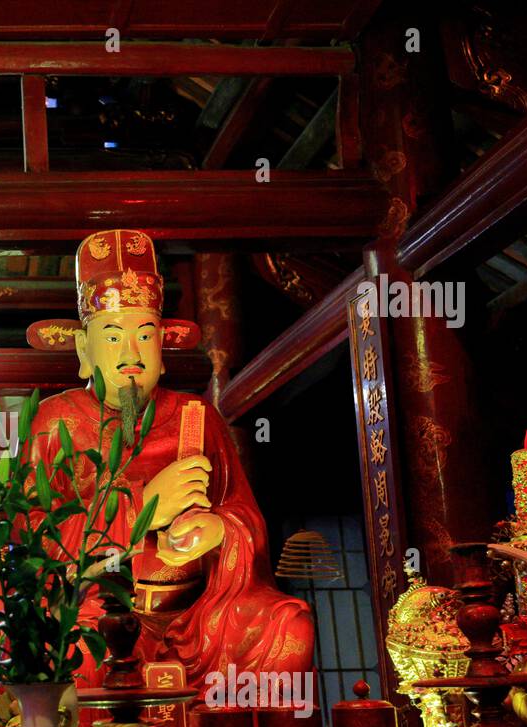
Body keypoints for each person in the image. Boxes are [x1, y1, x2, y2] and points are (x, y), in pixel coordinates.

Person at [26, 229, 314, 689]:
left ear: (163, 346)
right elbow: (31, 538)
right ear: (84, 350)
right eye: (113, 337)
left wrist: (220, 530)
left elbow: (245, 517)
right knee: (70, 647)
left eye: (145, 335)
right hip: (96, 608)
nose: (131, 355)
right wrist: (140, 510)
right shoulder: (53, 422)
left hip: (197, 616)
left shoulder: (198, 417)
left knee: (288, 625)